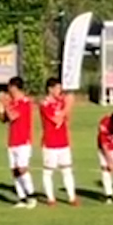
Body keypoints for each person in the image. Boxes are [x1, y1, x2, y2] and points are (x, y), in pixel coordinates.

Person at [39, 78, 77, 207]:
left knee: (67, 170)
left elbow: (67, 119)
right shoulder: (45, 103)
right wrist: (68, 106)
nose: (59, 91)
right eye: (57, 88)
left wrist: (67, 108)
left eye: (60, 88)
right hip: (50, 142)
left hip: (63, 141)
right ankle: (50, 198)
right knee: (49, 171)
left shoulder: (61, 101)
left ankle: (72, 197)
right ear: (50, 89)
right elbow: (56, 120)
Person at [0, 78, 37, 208]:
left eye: (9, 87)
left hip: (23, 140)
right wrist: (2, 107)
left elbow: (13, 116)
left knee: (22, 168)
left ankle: (31, 196)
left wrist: (5, 104)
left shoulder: (24, 102)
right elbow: (3, 119)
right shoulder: (12, 102)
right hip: (12, 140)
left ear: (14, 87)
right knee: (14, 170)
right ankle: (22, 198)